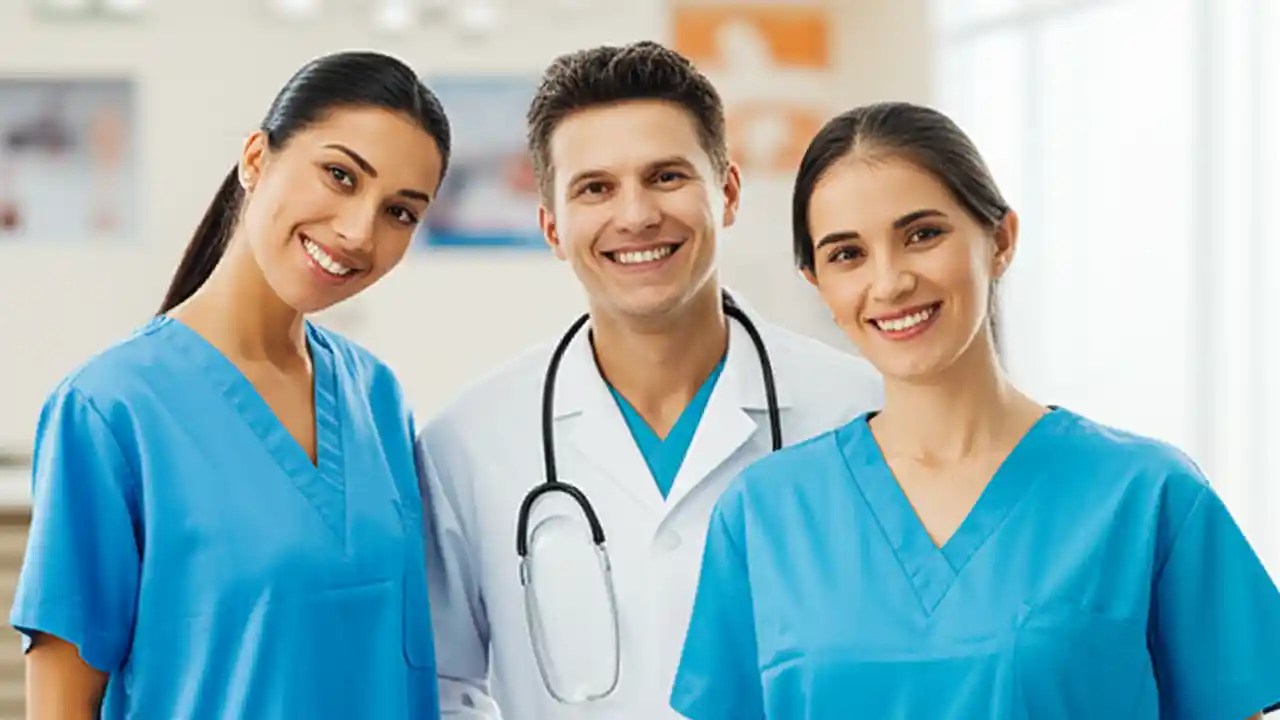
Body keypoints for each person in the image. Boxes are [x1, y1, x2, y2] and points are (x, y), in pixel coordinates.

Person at [669, 101, 1280, 720]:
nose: (890, 283)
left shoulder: (1145, 495)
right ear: (818, 283)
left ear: (1000, 240)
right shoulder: (764, 515)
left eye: (922, 235)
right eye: (847, 255)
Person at [417, 41, 882, 719]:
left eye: (666, 176)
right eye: (595, 188)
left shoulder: (859, 411)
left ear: (726, 194)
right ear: (551, 225)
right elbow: (444, 688)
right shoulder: (468, 443)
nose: (635, 215)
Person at [10, 50, 452, 719]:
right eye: (339, 175)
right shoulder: (111, 410)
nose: (360, 230)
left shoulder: (377, 398)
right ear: (256, 158)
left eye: (400, 213)